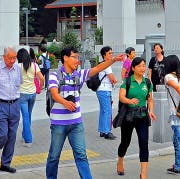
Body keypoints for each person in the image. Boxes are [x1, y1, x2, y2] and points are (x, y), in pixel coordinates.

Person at [46, 46, 125, 179]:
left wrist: (113, 60)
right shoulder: (55, 75)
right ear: (65, 58)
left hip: (76, 123)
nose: (77, 60)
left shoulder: (79, 75)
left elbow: (97, 69)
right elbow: (54, 93)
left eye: (78, 57)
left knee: (81, 155)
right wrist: (65, 102)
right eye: (74, 57)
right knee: (54, 156)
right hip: (59, 124)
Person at [116, 56, 156, 178]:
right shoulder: (127, 81)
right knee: (125, 142)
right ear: (133, 68)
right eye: (139, 66)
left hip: (142, 116)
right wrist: (129, 101)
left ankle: (143, 174)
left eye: (144, 65)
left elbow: (150, 100)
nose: (142, 68)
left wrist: (151, 111)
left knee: (144, 143)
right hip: (129, 116)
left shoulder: (147, 82)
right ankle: (120, 160)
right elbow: (121, 97)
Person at [18, 47, 45, 147]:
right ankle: (25, 134)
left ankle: (28, 140)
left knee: (25, 116)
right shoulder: (34, 65)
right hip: (32, 94)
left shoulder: (18, 66)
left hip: (22, 94)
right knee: (29, 115)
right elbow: (41, 78)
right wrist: (41, 88)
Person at [96, 46, 118, 140]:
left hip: (100, 90)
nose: (111, 55)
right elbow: (113, 79)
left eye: (112, 53)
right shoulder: (107, 65)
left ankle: (102, 130)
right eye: (109, 53)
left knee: (103, 111)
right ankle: (107, 132)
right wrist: (114, 81)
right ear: (104, 55)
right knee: (107, 111)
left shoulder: (101, 64)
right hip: (105, 90)